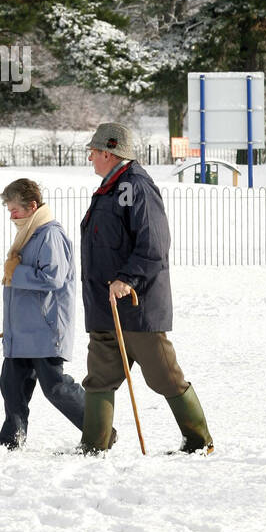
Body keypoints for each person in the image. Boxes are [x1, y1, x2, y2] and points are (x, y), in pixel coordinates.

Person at [79, 123, 214, 454]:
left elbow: (154, 244)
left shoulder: (135, 186)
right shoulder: (110, 188)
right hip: (104, 306)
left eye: (93, 153)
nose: (91, 159)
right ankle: (93, 446)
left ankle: (199, 442)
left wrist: (127, 279)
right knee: (99, 378)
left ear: (108, 153)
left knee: (164, 377)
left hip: (137, 308)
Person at [0, 178, 86, 449]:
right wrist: (11, 325)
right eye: (9, 210)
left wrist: (16, 272)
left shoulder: (50, 234)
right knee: (11, 386)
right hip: (23, 332)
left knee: (56, 388)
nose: (11, 216)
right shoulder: (29, 234)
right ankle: (11, 442)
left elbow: (53, 278)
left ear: (32, 206)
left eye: (15, 210)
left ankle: (100, 427)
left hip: (45, 330)